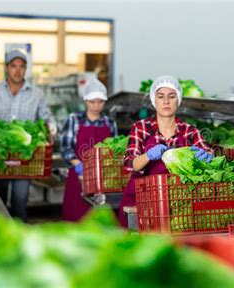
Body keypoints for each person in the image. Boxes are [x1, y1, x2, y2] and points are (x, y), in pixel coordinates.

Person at [0, 49, 57, 222]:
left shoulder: (36, 94)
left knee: (20, 202)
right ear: (6, 68)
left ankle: (18, 237)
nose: (18, 70)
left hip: (24, 158)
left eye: (22, 67)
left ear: (26, 69)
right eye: (14, 66)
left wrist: (51, 125)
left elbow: (46, 117)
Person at [118, 75, 213, 227]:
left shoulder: (189, 131)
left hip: (178, 204)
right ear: (154, 100)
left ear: (178, 100)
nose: (166, 102)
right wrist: (148, 155)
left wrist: (208, 156)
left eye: (172, 96)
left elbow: (208, 152)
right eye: (161, 96)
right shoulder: (140, 128)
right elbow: (130, 163)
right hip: (141, 203)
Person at [60, 77, 118, 221]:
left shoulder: (110, 123)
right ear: (85, 101)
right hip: (78, 178)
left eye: (100, 102)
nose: (96, 106)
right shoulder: (74, 120)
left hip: (103, 178)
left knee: (100, 219)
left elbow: (116, 151)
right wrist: (78, 165)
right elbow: (65, 147)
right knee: (77, 218)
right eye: (93, 102)